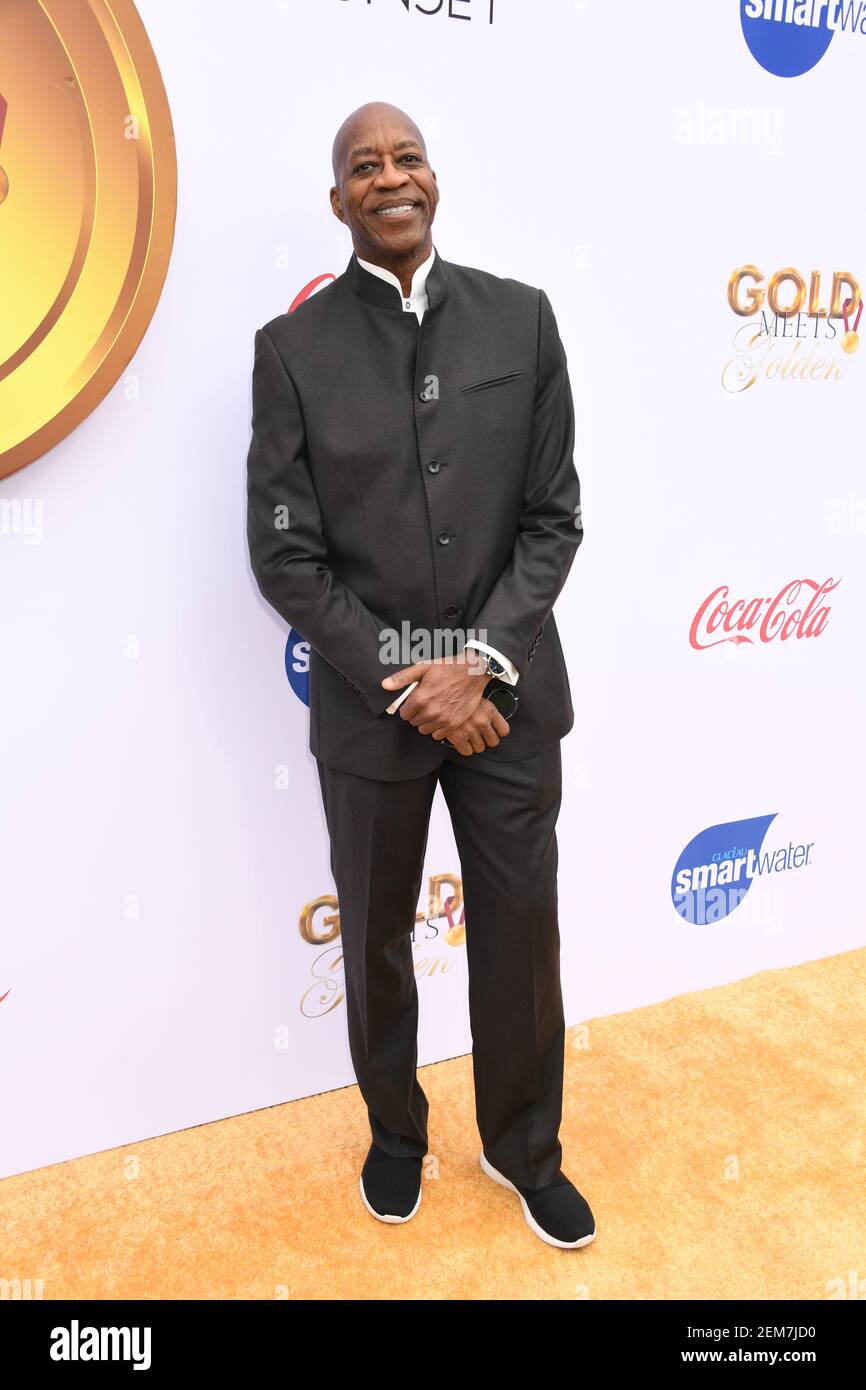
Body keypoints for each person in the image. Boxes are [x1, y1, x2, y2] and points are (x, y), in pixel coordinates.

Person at [246, 101, 594, 1250]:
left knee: (517, 928)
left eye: (406, 157)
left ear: (432, 179)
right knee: (375, 937)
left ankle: (523, 1148)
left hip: (509, 703)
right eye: (363, 166)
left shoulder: (521, 320)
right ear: (338, 199)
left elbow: (551, 520)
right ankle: (395, 1135)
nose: (389, 177)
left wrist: (480, 665)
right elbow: (285, 557)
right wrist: (415, 678)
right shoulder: (290, 353)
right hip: (373, 714)